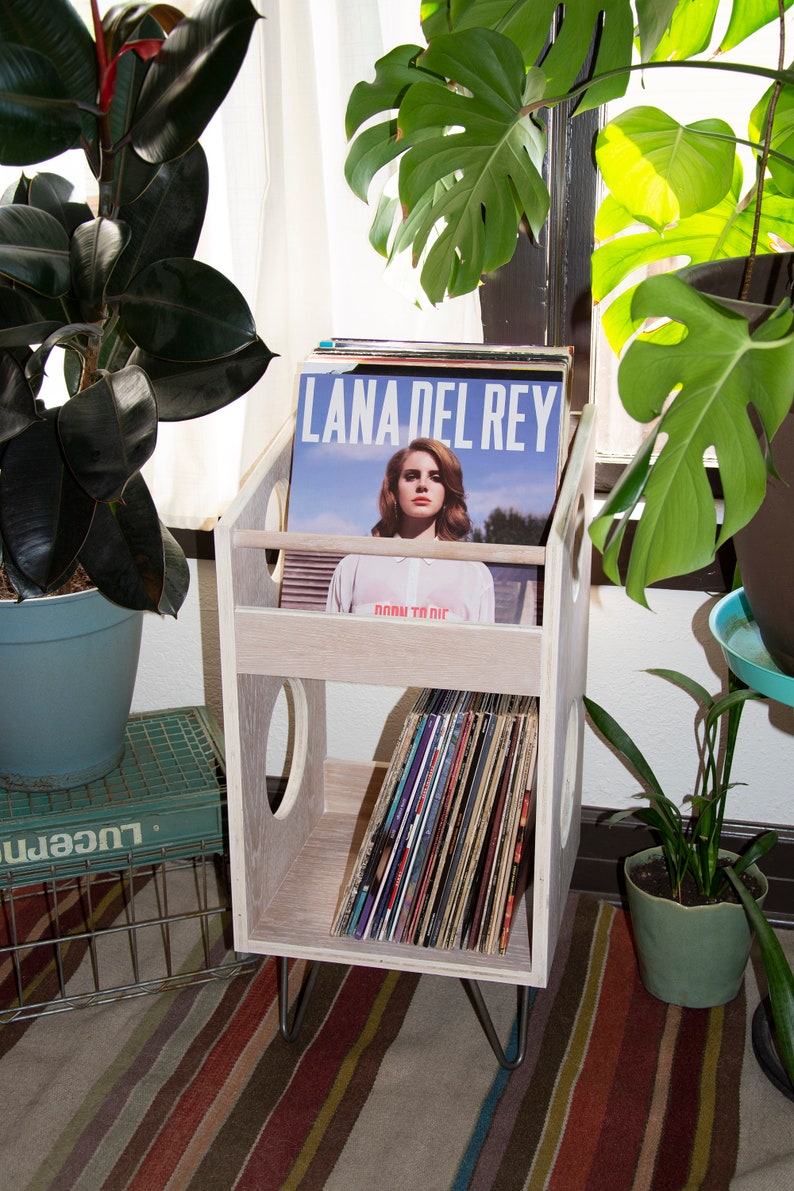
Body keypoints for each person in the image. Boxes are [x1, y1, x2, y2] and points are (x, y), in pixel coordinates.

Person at [326, 438, 495, 622]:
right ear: (394, 488)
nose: (422, 485)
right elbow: (328, 642)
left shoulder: (474, 574)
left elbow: (483, 649)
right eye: (411, 476)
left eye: (436, 478)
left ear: (447, 491)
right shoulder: (354, 565)